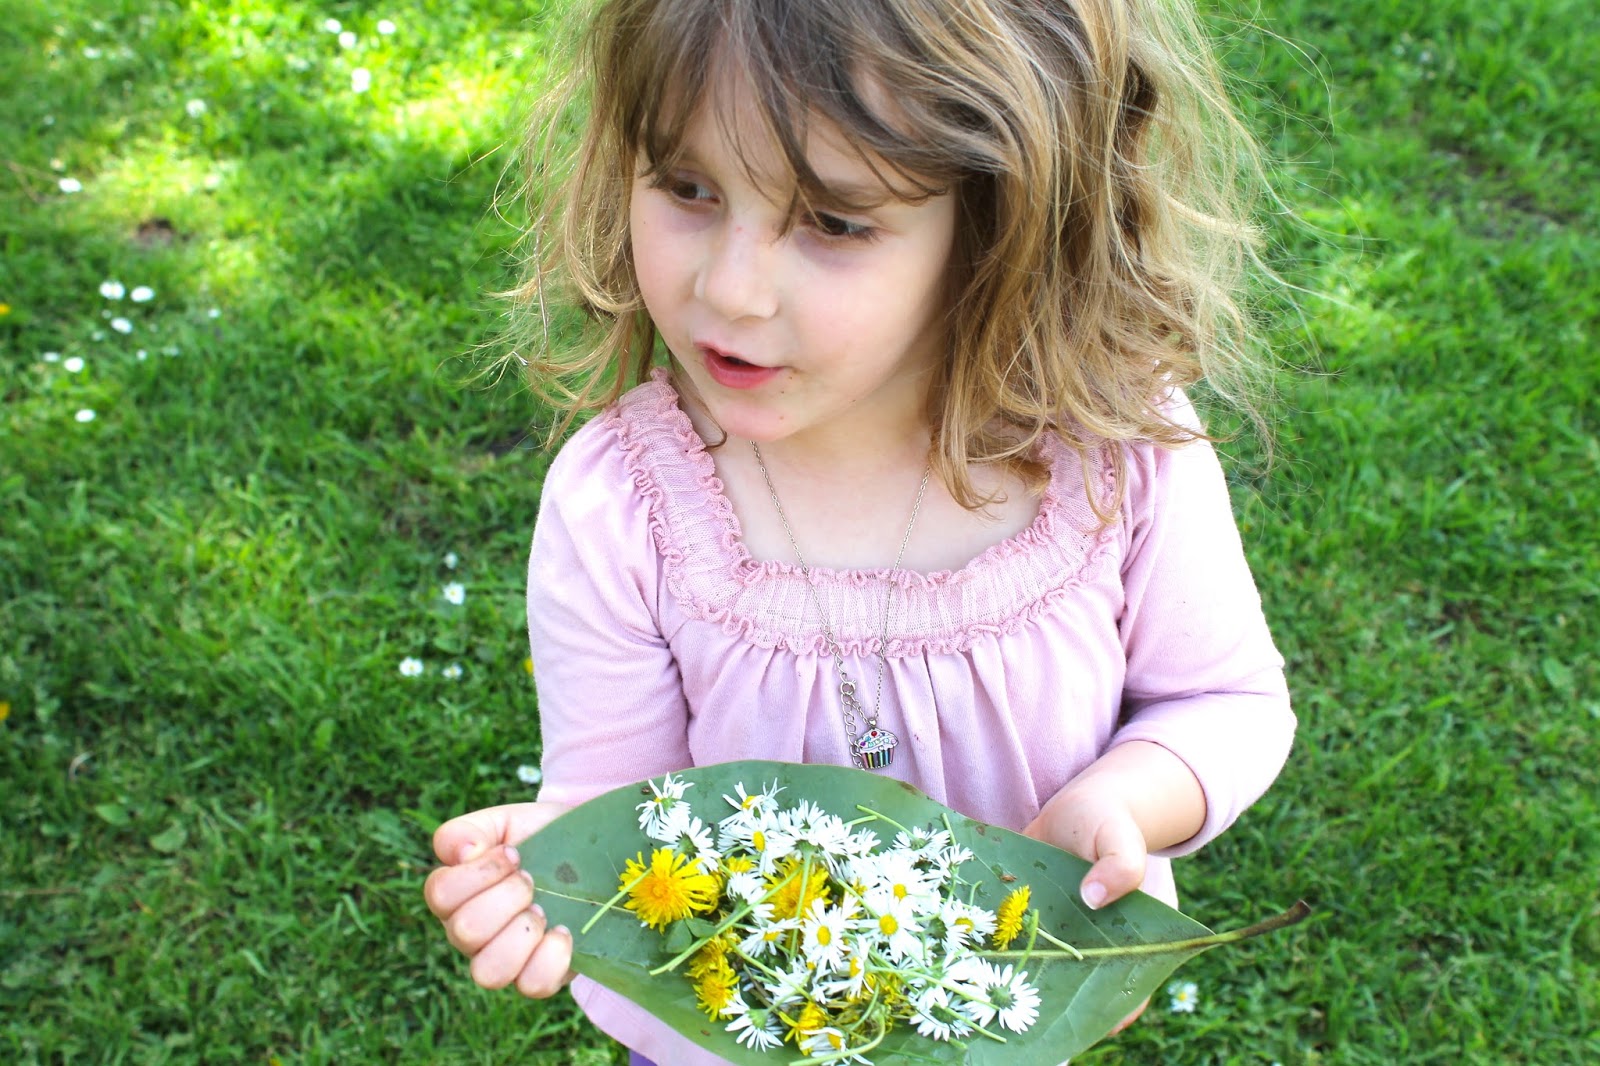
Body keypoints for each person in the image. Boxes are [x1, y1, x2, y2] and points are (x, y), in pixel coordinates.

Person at [425, 0, 1296, 1061]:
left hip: (1003, 1019)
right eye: (688, 188)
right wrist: (562, 858)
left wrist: (1127, 798)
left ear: (1001, 220)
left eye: (833, 222)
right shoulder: (624, 508)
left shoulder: (1117, 453)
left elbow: (1225, 701)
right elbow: (627, 804)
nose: (731, 289)